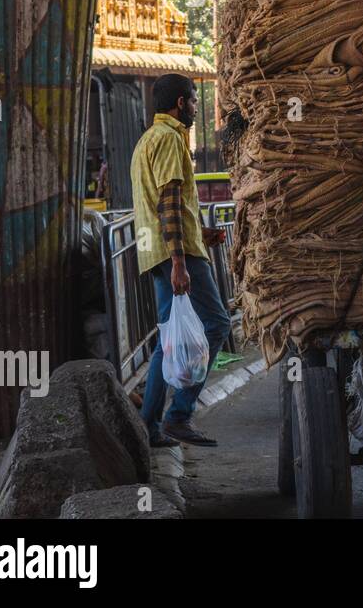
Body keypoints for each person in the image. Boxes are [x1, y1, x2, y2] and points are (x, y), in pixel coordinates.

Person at [132, 74, 230, 447]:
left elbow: (165, 204)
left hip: (158, 250)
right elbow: (169, 202)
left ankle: (150, 426)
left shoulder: (145, 141)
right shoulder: (171, 139)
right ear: (179, 103)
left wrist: (200, 235)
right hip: (176, 254)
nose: (194, 106)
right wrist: (179, 260)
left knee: (167, 341)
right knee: (217, 324)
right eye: (192, 100)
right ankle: (179, 415)